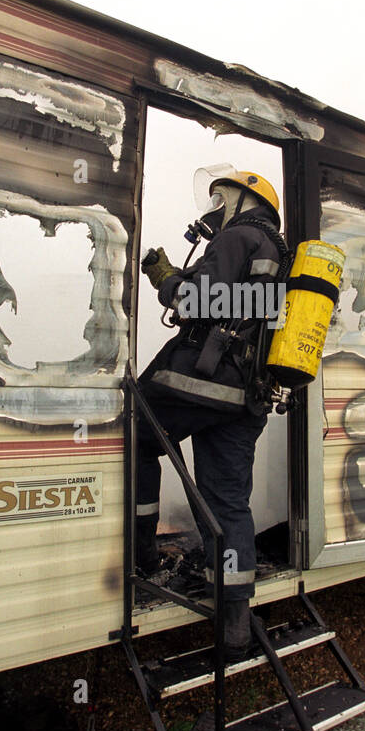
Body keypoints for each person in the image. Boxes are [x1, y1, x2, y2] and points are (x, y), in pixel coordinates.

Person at [135, 166, 289, 655]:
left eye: (220, 197)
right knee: (226, 501)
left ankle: (142, 556)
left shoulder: (237, 238)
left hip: (204, 383)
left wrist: (164, 277)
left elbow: (194, 302)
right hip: (247, 398)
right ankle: (233, 622)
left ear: (245, 202)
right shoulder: (278, 253)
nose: (214, 207)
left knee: (137, 433)